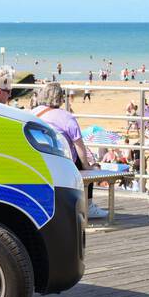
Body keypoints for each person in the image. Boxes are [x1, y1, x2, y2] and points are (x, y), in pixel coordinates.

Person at [32, 82, 106, 219]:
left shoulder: (33, 113)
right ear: (60, 98)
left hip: (38, 159)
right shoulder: (66, 117)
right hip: (62, 162)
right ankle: (88, 206)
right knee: (85, 165)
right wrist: (86, 165)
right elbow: (79, 145)